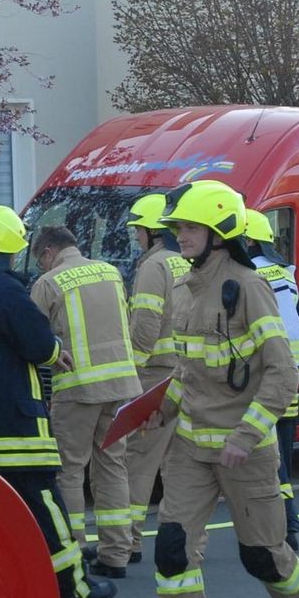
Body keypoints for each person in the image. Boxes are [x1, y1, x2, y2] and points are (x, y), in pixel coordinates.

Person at [136, 180, 299, 598]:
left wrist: (247, 434)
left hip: (244, 453)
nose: (181, 236)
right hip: (190, 449)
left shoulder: (249, 287)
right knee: (172, 551)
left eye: (191, 227)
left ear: (219, 232)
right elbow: (189, 371)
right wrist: (161, 408)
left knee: (264, 556)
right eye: (178, 227)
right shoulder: (185, 288)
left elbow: (282, 374)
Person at [0, 205, 116, 598]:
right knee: (44, 506)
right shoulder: (3, 290)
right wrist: (55, 352)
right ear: (7, 249)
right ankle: (73, 588)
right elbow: (37, 342)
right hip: (11, 428)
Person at [30, 225, 142, 579]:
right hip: (120, 384)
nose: (41, 266)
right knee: (113, 465)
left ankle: (74, 553)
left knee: (69, 470)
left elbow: (33, 337)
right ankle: (116, 554)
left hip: (78, 388)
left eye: (40, 260)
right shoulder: (110, 272)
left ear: (48, 251)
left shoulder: (49, 283)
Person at [243, 208, 299, 552]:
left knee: (266, 463)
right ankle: (286, 527)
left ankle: (283, 529)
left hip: (260, 383)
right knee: (283, 464)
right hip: (288, 384)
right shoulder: (285, 275)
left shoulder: (247, 277)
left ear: (247, 241)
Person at [122, 194, 191, 563]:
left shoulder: (153, 266)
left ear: (152, 232)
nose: (136, 237)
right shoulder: (185, 260)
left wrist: (131, 372)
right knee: (179, 464)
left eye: (138, 230)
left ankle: (130, 540)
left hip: (156, 375)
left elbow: (145, 326)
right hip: (186, 372)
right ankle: (186, 538)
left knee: (140, 459)